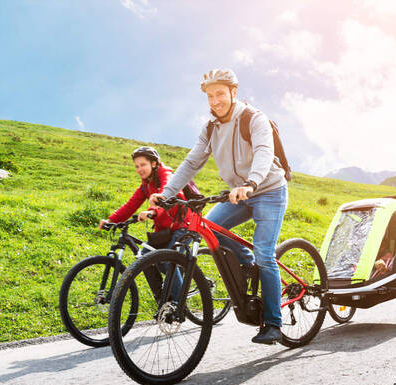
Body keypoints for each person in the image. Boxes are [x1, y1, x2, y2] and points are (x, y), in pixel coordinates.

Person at [150, 68, 288, 344]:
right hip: (237, 193)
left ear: (233, 93)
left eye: (220, 94)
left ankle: (273, 323)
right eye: (210, 96)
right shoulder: (211, 128)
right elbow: (192, 162)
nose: (215, 101)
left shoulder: (254, 118)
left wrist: (251, 183)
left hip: (269, 190)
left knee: (264, 253)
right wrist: (166, 194)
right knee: (212, 228)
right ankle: (247, 264)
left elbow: (264, 151)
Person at [100, 146, 190, 299]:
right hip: (164, 231)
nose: (139, 169)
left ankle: (178, 303)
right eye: (136, 166)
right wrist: (111, 220)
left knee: (169, 262)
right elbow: (130, 206)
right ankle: (163, 298)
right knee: (144, 258)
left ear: (154, 163)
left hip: (182, 227)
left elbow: (170, 195)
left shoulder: (166, 175)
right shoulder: (146, 185)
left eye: (143, 164)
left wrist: (152, 212)